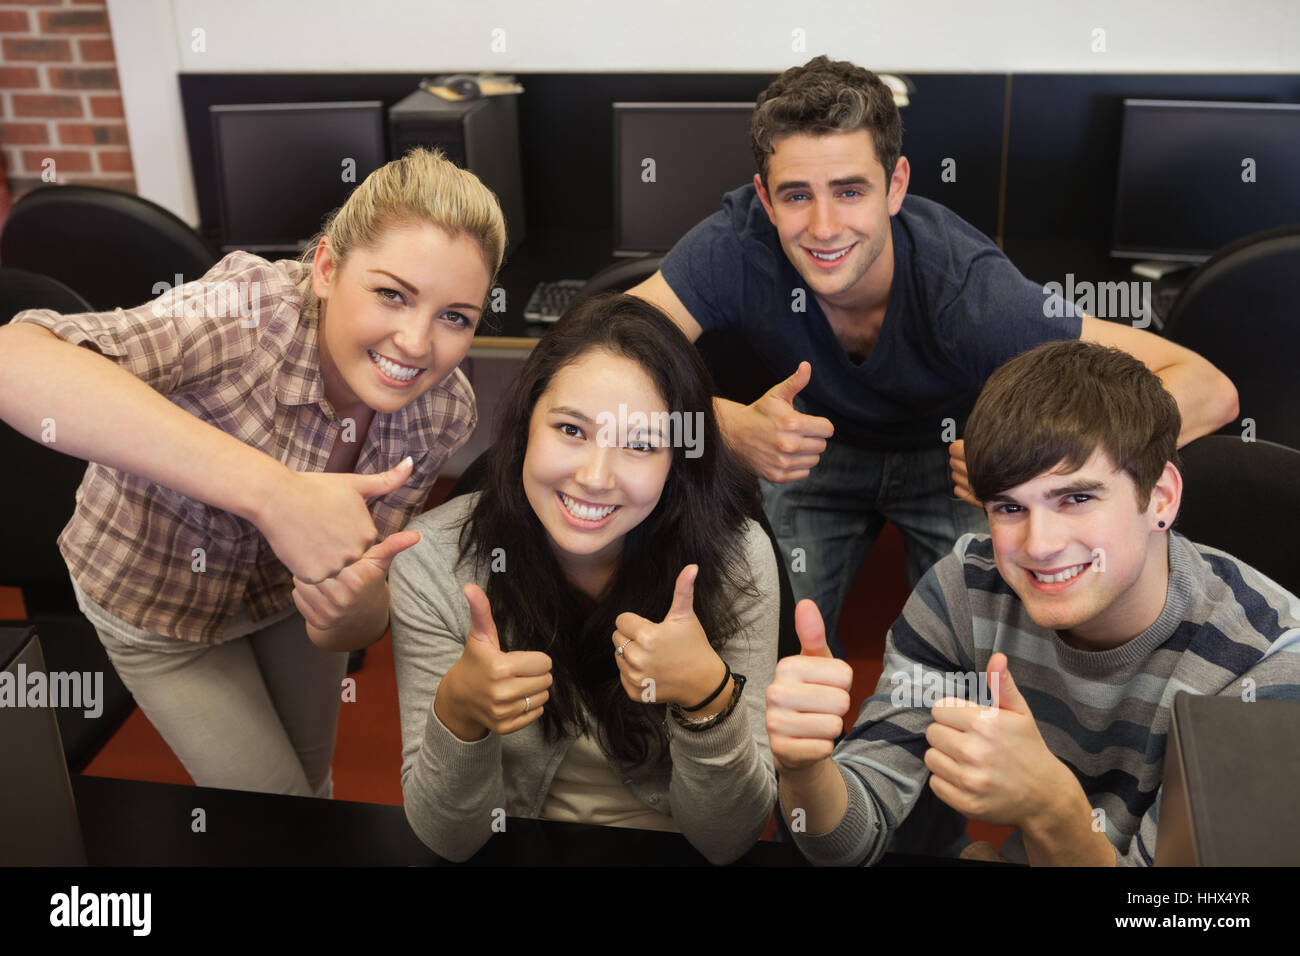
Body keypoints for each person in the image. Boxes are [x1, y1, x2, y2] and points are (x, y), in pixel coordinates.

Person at [629, 56, 1238, 657]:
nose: (823, 226)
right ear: (764, 199)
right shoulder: (735, 244)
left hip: (952, 457)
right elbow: (590, 355)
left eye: (849, 191)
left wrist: (1035, 455)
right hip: (813, 445)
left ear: (895, 187)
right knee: (767, 632)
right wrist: (722, 424)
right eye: (796, 196)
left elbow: (1208, 388)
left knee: (987, 646)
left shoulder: (969, 289)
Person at [0, 148, 506, 797]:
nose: (415, 342)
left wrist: (352, 607)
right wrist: (274, 494)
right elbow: (16, 359)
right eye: (390, 294)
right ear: (325, 268)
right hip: (155, 605)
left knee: (314, 792)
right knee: (277, 802)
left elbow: (355, 623)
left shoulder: (441, 411)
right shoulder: (248, 310)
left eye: (454, 317)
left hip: (282, 601)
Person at [765, 340, 1300, 866]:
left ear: (1160, 497)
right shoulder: (966, 592)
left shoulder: (1265, 663)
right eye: (1009, 507)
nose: (1039, 545)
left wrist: (1051, 808)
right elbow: (848, 842)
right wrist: (806, 769)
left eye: (1077, 498)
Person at [389, 293, 779, 864]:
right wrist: (459, 713)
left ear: (678, 461)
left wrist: (706, 700)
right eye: (571, 430)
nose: (595, 477)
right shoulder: (433, 562)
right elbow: (449, 840)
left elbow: (727, 840)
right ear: (526, 427)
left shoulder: (737, 559)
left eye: (642, 445)